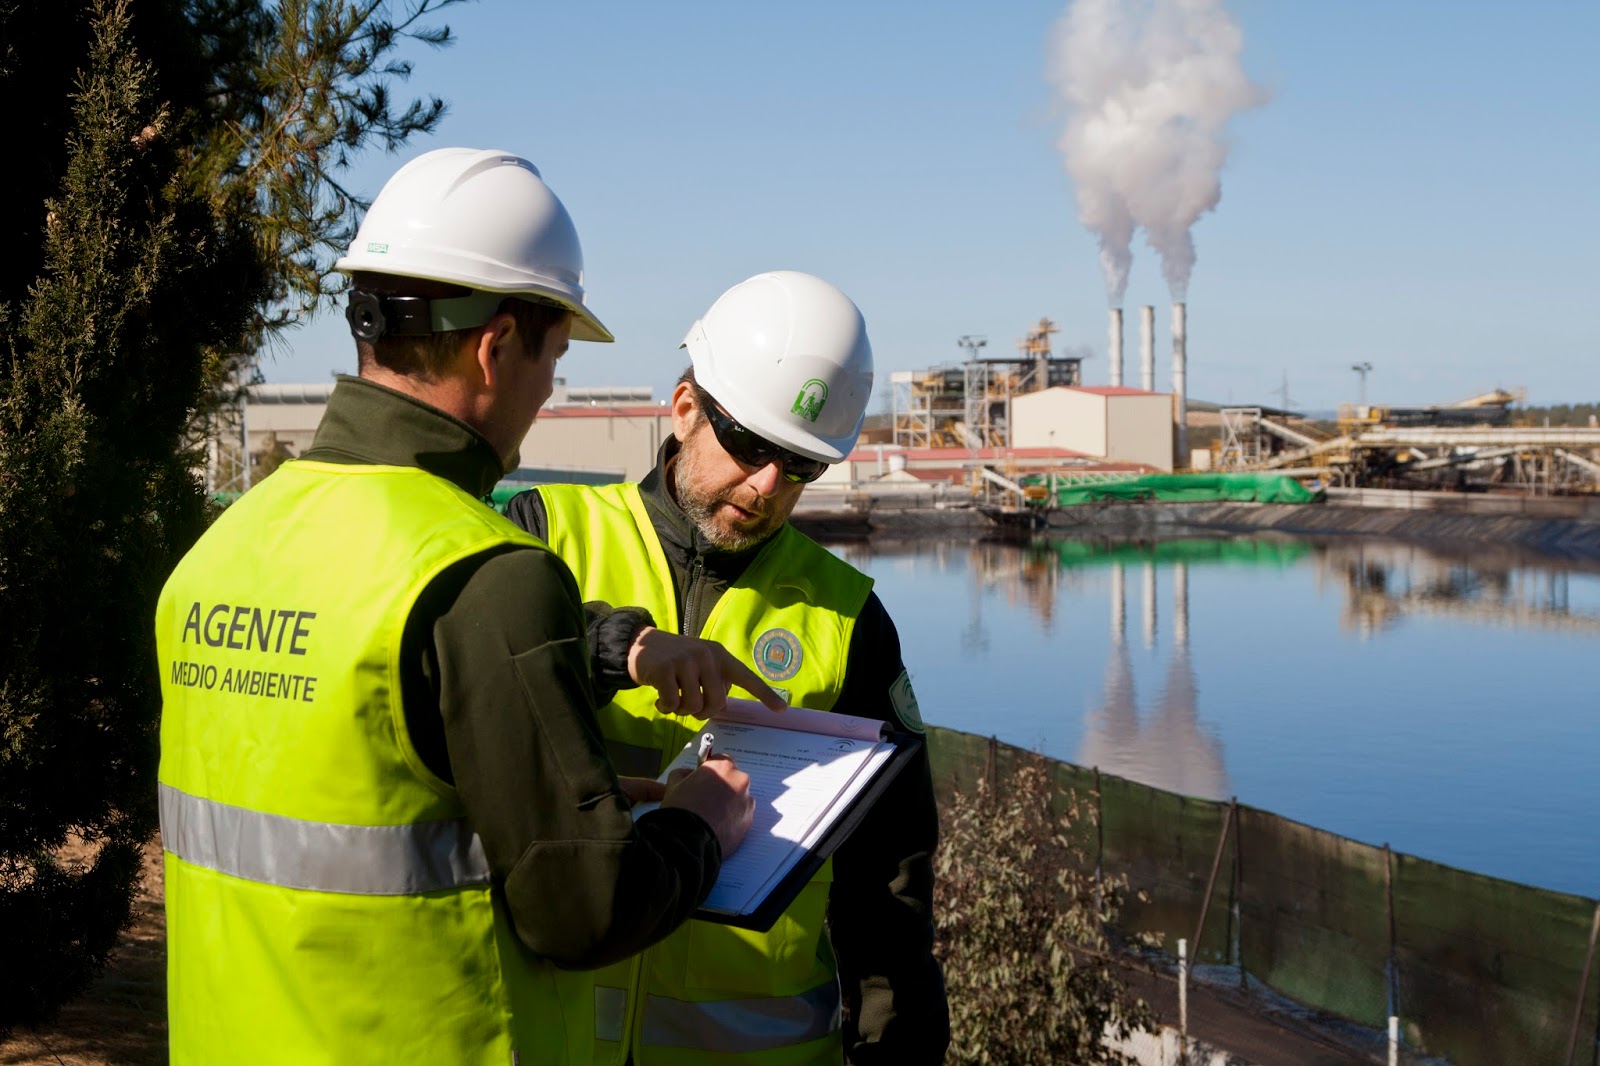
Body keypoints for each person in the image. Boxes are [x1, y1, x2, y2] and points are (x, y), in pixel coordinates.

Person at [154, 148, 770, 1065]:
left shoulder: (220, 552)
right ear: (497, 346)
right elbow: (585, 910)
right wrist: (700, 825)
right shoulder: (488, 574)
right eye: (555, 356)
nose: (549, 389)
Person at [506, 270, 951, 1065]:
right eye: (749, 443)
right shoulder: (545, 534)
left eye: (802, 464)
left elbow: (890, 878)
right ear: (685, 409)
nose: (768, 484)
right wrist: (618, 647)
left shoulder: (847, 617)